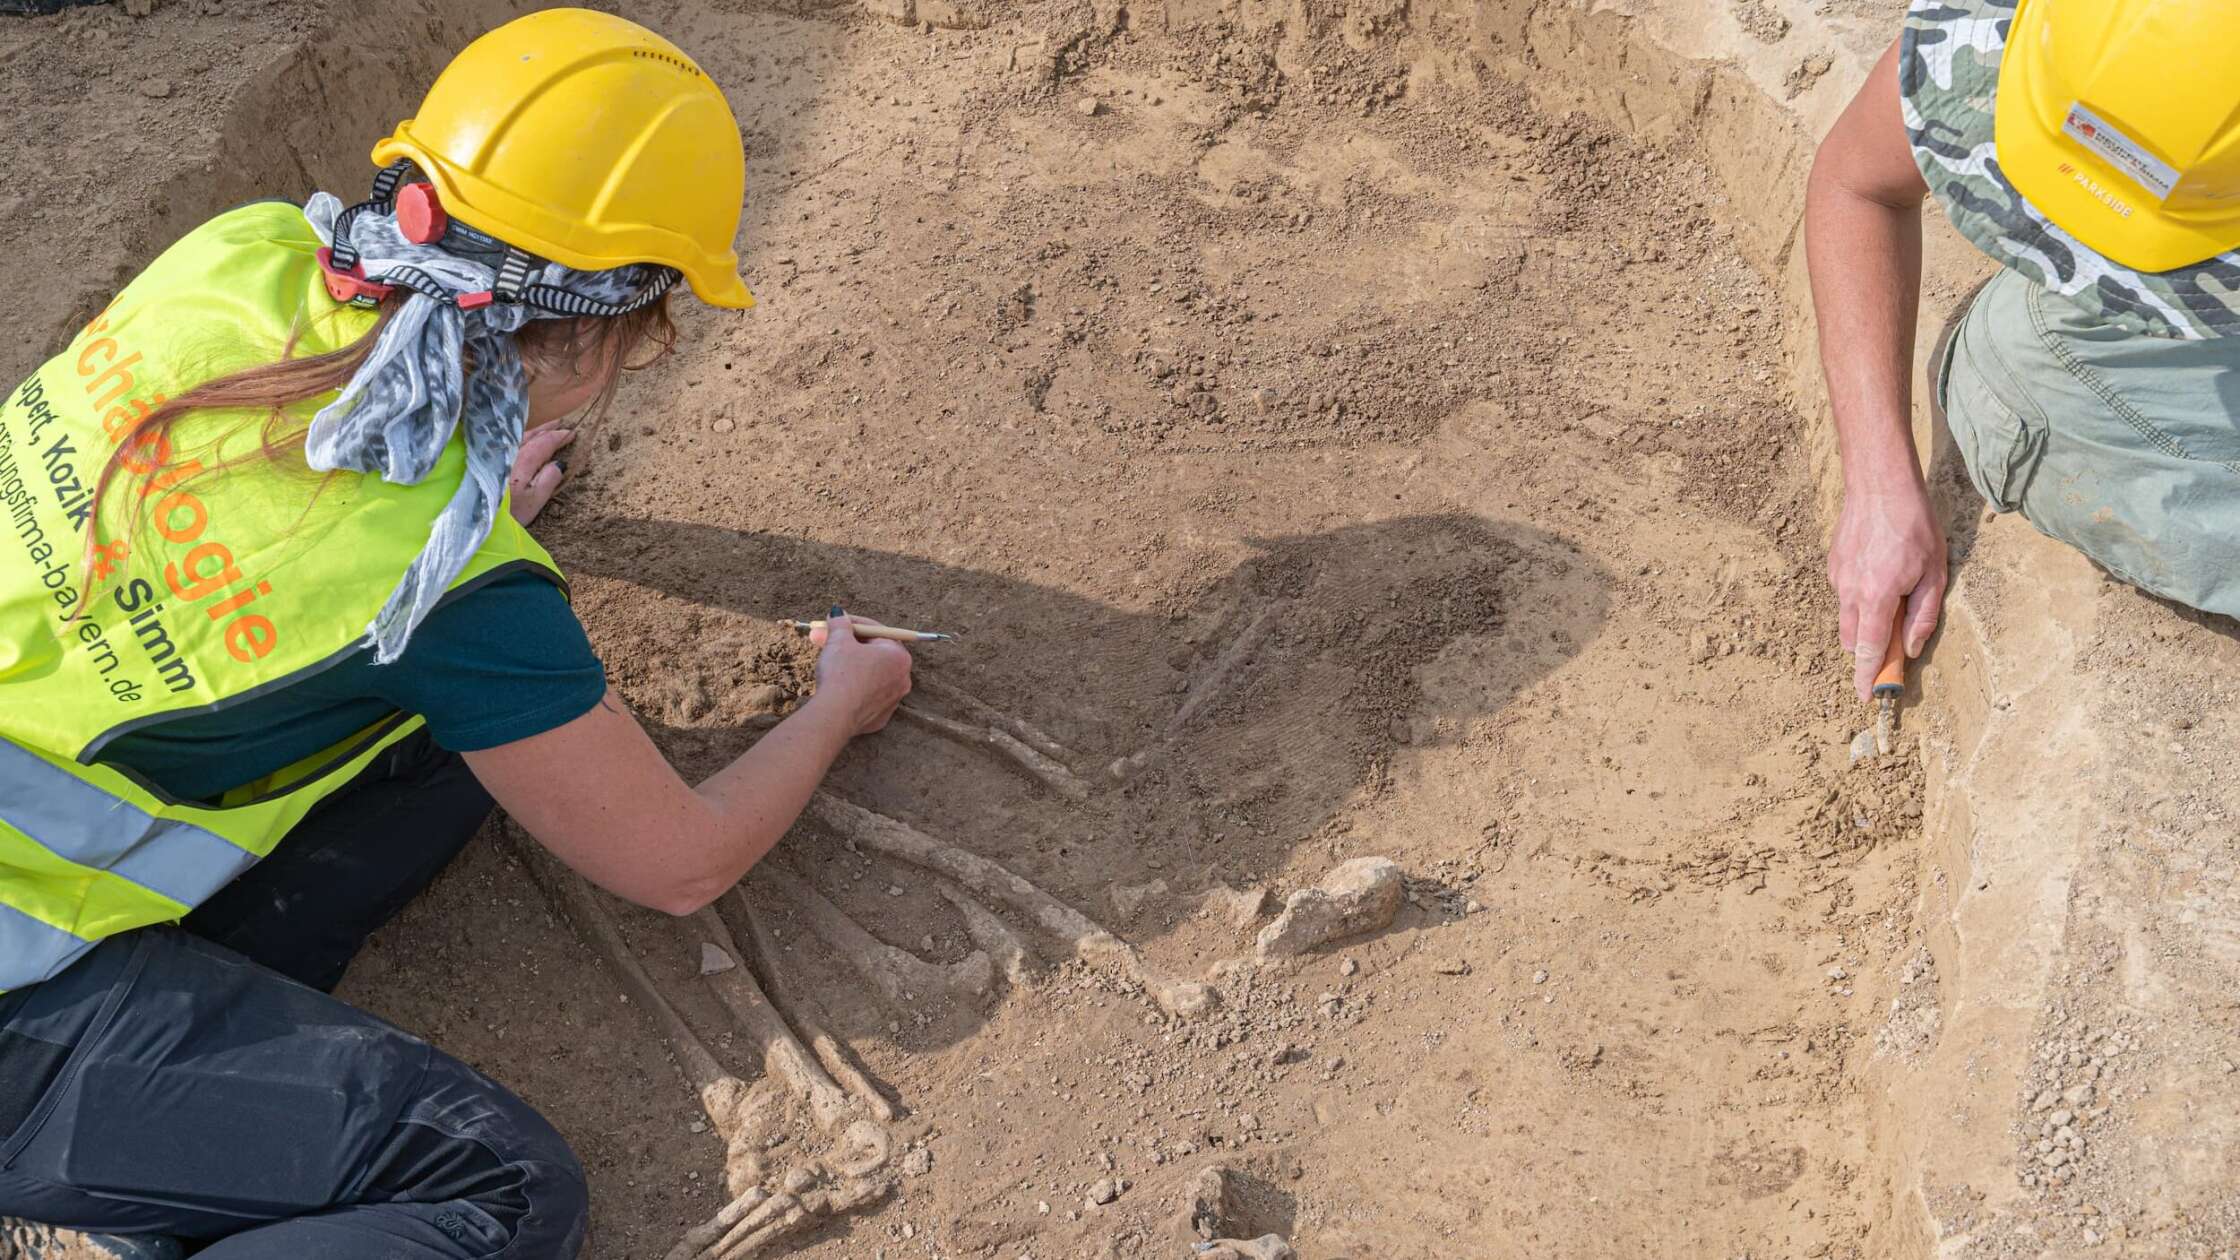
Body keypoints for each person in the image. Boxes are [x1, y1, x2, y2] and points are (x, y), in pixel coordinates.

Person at [0, 10, 913, 1257]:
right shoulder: (456, 600)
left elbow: (232, 490)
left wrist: (465, 492)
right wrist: (834, 708)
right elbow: (678, 864)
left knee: (439, 737)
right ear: (596, 343)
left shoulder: (239, 253)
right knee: (499, 1194)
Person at [1807, 0, 2240, 698]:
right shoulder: (2014, 31)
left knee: (2019, 376)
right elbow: (1859, 183)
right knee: (2012, 372)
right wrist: (1879, 489)